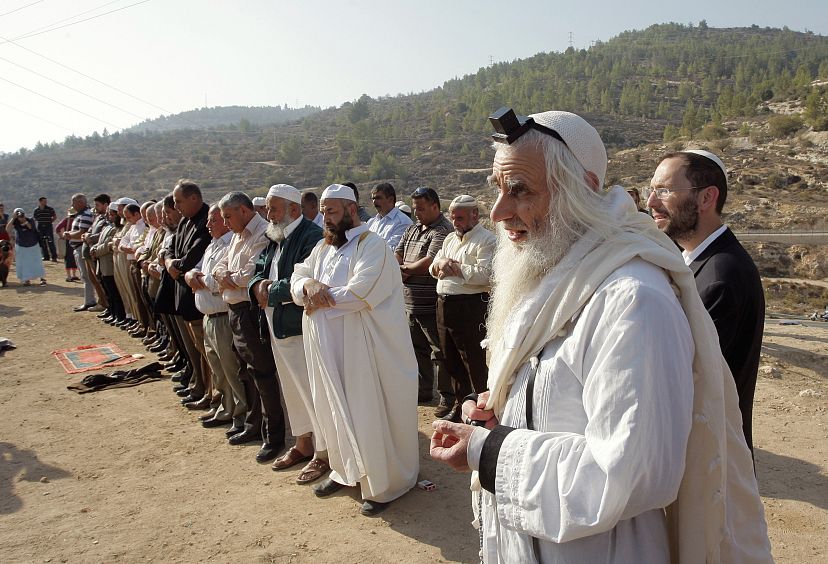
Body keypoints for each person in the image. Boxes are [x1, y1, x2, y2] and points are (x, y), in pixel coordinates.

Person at [429, 108, 771, 563]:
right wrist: (505, 416)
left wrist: (489, 450)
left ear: (582, 189)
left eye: (521, 191)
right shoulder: (554, 276)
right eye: (498, 189)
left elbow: (631, 472)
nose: (498, 212)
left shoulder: (632, 299)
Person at [290, 184, 418, 516]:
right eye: (322, 210)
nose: (325, 217)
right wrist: (307, 286)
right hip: (328, 347)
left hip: (366, 351)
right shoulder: (322, 248)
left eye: (331, 210)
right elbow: (299, 276)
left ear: (350, 209)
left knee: (368, 411)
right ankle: (345, 471)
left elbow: (361, 293)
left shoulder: (373, 246)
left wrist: (316, 297)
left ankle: (385, 484)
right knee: (334, 409)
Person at [647, 150, 765, 455]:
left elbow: (686, 383)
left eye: (664, 191)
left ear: (706, 198)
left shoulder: (721, 275)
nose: (651, 203)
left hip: (709, 464)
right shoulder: (697, 262)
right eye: (652, 190)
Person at [248, 184, 327, 483]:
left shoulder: (310, 237)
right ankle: (304, 442)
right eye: (268, 208)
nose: (268, 214)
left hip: (299, 326)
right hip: (276, 325)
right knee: (292, 390)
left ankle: (324, 452)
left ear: (293, 210)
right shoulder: (275, 236)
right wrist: (257, 286)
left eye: (273, 208)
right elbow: (260, 269)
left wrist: (270, 290)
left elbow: (306, 279)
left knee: (310, 390)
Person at [213, 191, 286, 463]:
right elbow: (221, 267)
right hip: (234, 311)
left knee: (263, 373)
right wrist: (224, 275)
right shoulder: (237, 235)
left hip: (250, 311)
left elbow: (250, 275)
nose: (226, 222)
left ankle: (273, 435)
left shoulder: (263, 234)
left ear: (244, 211)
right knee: (246, 372)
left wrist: (228, 277)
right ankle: (254, 425)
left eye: (228, 216)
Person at [429, 195, 495, 422]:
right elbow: (433, 266)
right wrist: (440, 264)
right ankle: (461, 405)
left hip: (470, 306)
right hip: (443, 304)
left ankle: (482, 409)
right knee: (451, 360)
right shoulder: (449, 239)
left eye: (459, 217)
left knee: (473, 361)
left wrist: (454, 267)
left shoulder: (487, 240)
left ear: (474, 215)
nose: (455, 222)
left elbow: (486, 274)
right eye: (452, 217)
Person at [184, 204, 245, 430]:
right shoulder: (212, 245)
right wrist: (195, 276)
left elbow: (217, 282)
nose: (208, 225)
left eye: (214, 220)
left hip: (223, 316)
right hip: (209, 316)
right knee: (218, 369)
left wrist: (200, 280)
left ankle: (240, 415)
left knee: (231, 371)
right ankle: (225, 408)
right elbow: (194, 271)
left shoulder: (231, 244)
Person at [395, 186, 454, 413]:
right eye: (414, 208)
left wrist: (404, 270)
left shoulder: (443, 231)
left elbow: (430, 261)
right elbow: (397, 252)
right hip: (409, 301)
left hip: (431, 302)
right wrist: (403, 267)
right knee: (416, 349)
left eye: (420, 208)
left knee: (439, 352)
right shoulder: (412, 229)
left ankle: (447, 397)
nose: (416, 212)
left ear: (435, 206)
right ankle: (423, 390)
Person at [60, 194, 95, 311]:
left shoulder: (85, 215)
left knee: (86, 276)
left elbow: (82, 232)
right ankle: (90, 300)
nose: (72, 205)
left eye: (73, 203)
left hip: (81, 247)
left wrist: (69, 234)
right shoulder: (81, 214)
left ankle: (90, 301)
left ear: (80, 203)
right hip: (78, 247)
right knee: (85, 276)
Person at [366, 182, 412, 251]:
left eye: (378, 198)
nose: (374, 202)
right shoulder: (371, 223)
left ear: (390, 199)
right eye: (373, 198)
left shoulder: (403, 222)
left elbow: (392, 250)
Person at [6, 208, 46, 286]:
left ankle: (42, 278)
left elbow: (31, 227)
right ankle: (26, 279)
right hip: (21, 245)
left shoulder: (30, 220)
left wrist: (24, 221)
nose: (19, 216)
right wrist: (13, 218)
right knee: (23, 263)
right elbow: (8, 229)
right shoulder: (15, 222)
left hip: (33, 244)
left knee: (36, 262)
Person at [32, 196, 58, 261]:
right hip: (40, 227)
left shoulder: (50, 209)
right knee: (42, 242)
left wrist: (50, 222)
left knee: (50, 241)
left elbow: (54, 217)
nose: (45, 202)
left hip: (48, 227)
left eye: (46, 201)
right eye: (44, 201)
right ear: (40, 202)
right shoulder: (36, 210)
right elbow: (35, 218)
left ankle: (54, 257)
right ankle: (46, 257)